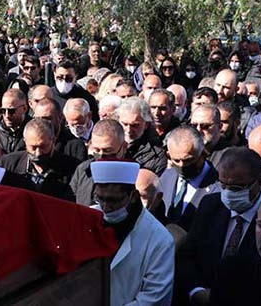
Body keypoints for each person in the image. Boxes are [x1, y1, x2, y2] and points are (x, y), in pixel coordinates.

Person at [176, 147, 261, 305]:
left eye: (237, 188)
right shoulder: (210, 205)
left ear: (259, 183)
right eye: (223, 185)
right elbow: (186, 255)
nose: (228, 193)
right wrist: (196, 291)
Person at [91, 160, 174, 306]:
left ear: (133, 196)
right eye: (100, 198)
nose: (105, 207)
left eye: (113, 201)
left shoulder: (160, 239)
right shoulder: (89, 219)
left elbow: (154, 297)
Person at [160, 126, 220, 231]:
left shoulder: (218, 186)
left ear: (203, 153)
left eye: (188, 160)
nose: (182, 166)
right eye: (176, 160)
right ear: (169, 155)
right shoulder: (166, 177)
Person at [0, 118, 77, 200]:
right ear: (25, 142)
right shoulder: (8, 164)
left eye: (43, 147)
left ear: (53, 140)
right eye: (33, 147)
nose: (38, 153)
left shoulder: (72, 168)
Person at [70, 119, 127, 206]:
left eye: (107, 150)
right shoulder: (83, 170)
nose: (101, 155)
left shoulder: (134, 176)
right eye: (96, 150)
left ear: (124, 147)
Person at [115, 97, 167, 175]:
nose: (128, 130)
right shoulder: (110, 144)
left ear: (146, 124)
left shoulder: (156, 155)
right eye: (125, 124)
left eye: (134, 125)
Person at [0, 89, 30, 154]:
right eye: (3, 111)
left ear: (24, 109)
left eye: (11, 111)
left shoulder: (33, 131)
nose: (7, 115)